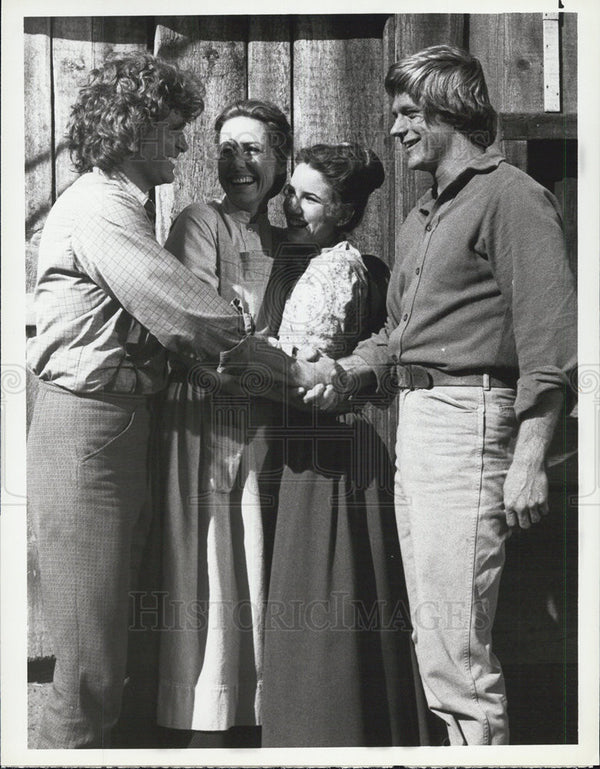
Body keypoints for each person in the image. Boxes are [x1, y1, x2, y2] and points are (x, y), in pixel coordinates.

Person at [301, 46, 577, 745]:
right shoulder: (423, 214)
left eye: (407, 114)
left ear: (451, 112)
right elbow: (401, 336)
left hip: (471, 421)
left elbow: (549, 340)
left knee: (458, 648)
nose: (394, 130)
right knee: (437, 639)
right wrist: (344, 372)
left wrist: (530, 456)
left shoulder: (512, 196)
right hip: (419, 424)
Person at [26, 53, 254, 749]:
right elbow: (186, 314)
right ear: (132, 130)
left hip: (122, 428)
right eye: (173, 129)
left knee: (115, 641)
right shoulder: (98, 209)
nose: (185, 146)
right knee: (90, 661)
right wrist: (250, 331)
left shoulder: (121, 205)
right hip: (87, 432)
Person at [259, 143, 419, 747]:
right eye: (290, 191)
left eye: (310, 197)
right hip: (312, 450)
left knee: (323, 609)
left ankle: (330, 735)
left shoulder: (335, 269)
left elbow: (299, 373)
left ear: (345, 213)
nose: (292, 205)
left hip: (327, 455)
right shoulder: (303, 261)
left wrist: (235, 350)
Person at [156, 100, 295, 748]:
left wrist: (262, 353)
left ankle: (257, 724)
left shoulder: (284, 239)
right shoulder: (198, 222)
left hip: (264, 427)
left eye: (254, 149)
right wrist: (263, 355)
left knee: (258, 564)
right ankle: (200, 733)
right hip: (207, 420)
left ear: (280, 160)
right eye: (228, 148)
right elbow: (199, 331)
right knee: (209, 569)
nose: (238, 162)